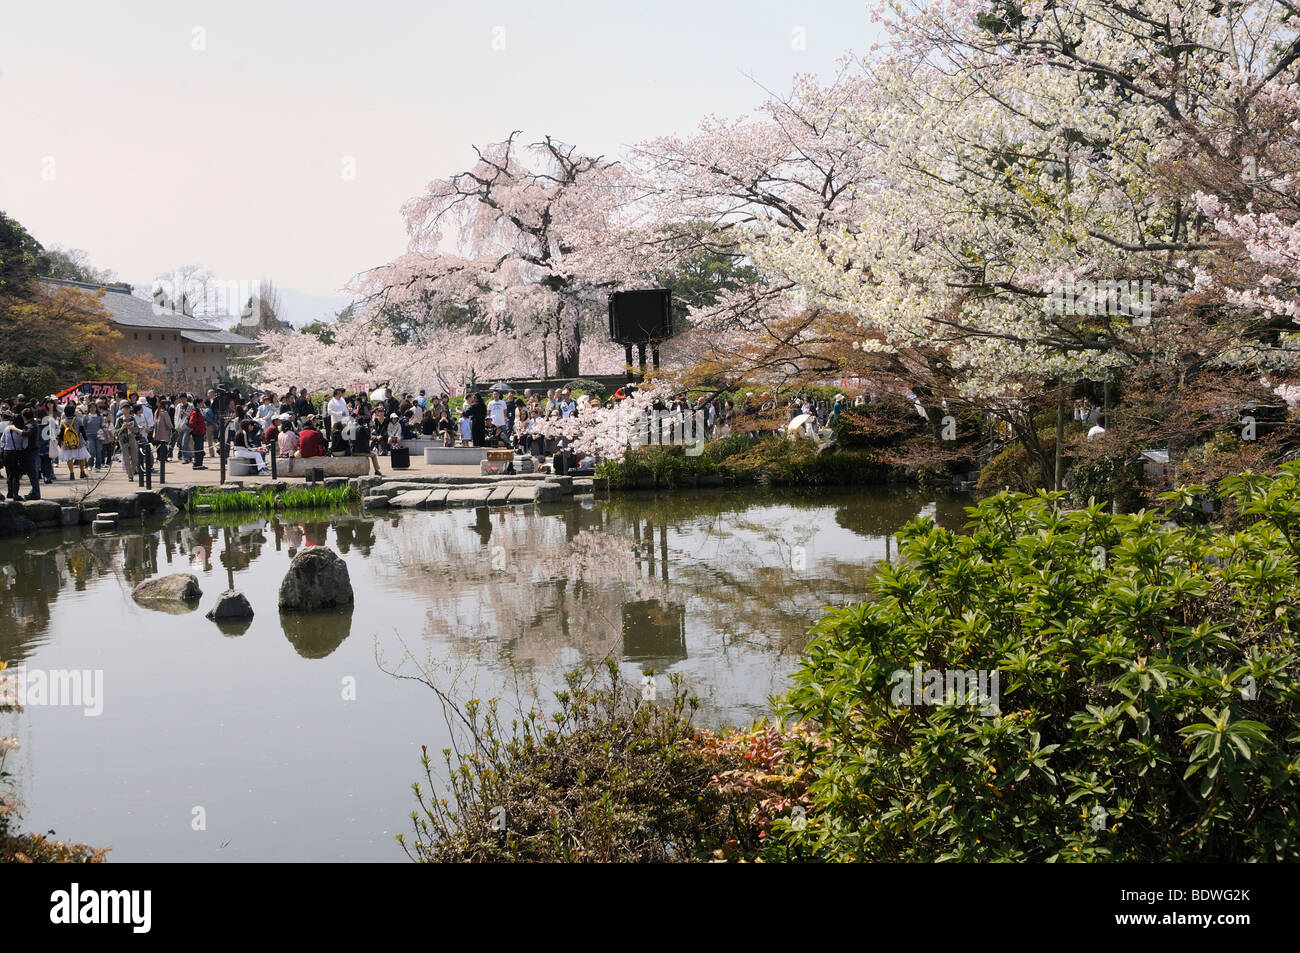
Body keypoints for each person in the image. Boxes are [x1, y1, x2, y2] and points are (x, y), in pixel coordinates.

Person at [58, 405, 91, 480]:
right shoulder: (78, 420)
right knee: (81, 457)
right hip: (78, 442)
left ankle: (71, 473)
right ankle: (82, 472)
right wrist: (85, 439)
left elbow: (61, 433)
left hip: (67, 443)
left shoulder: (63, 421)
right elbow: (82, 431)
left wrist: (60, 441)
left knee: (69, 458)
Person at [2, 413, 26, 500]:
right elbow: (24, 445)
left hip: (6, 453)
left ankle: (10, 492)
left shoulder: (7, 428)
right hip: (16, 453)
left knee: (9, 473)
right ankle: (16, 494)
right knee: (16, 474)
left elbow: (2, 440)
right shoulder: (21, 430)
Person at [188, 399, 209, 470]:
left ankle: (200, 464)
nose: (202, 404)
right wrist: (198, 428)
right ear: (197, 404)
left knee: (200, 449)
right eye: (201, 403)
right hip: (198, 433)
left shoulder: (199, 411)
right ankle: (197, 464)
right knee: (198, 449)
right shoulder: (195, 412)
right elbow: (191, 423)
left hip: (200, 432)